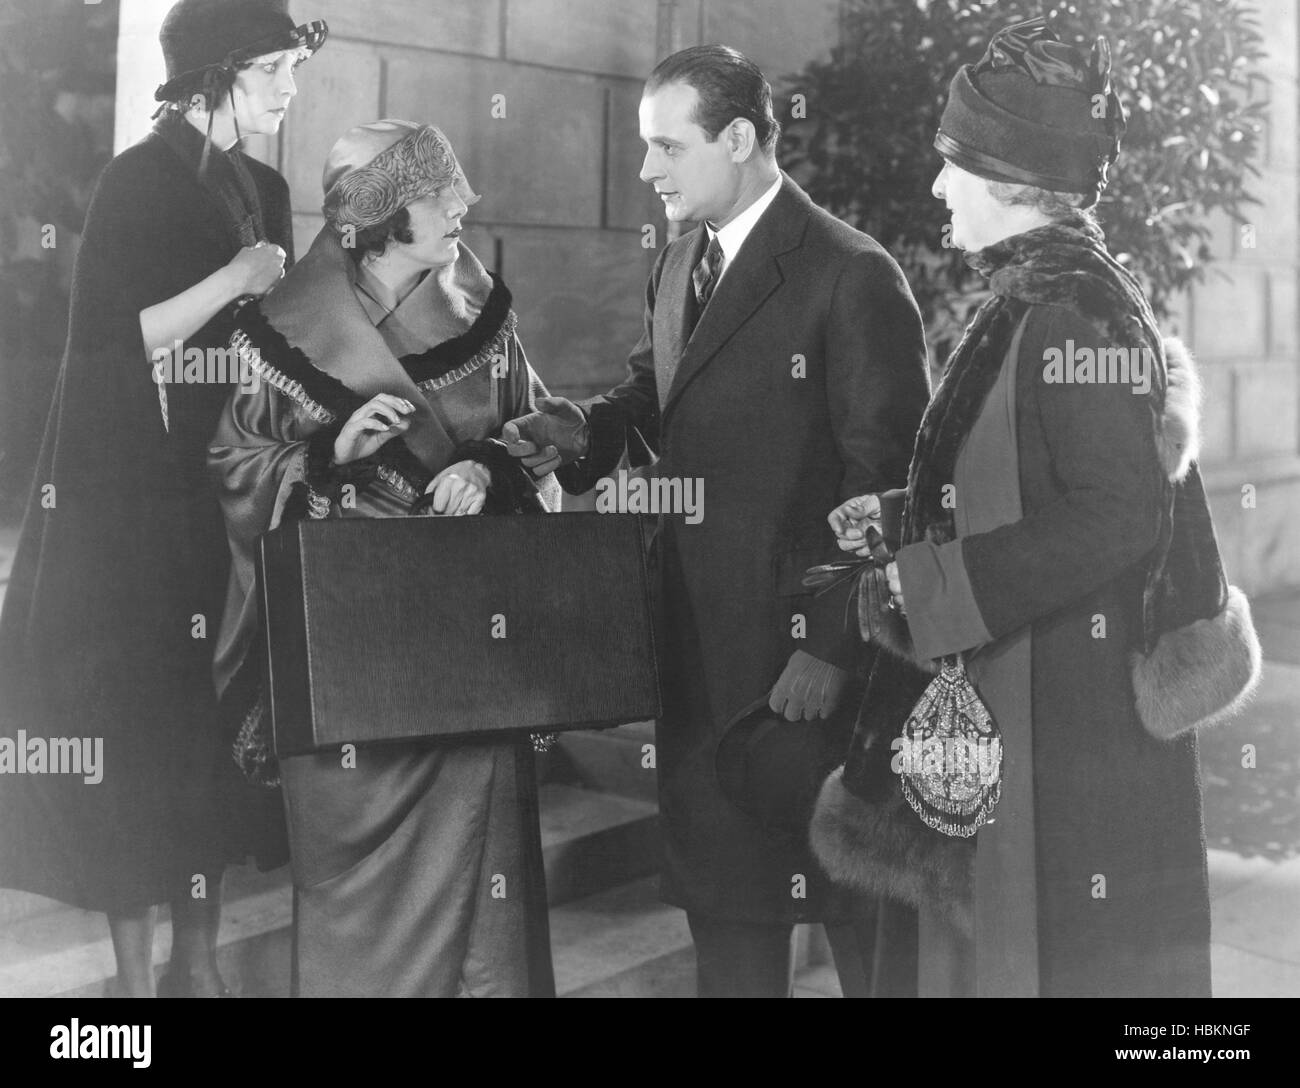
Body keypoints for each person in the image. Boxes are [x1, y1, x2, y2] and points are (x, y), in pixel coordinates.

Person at [812, 18, 1260, 997]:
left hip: (1056, 722)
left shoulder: (1066, 308)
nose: (936, 188)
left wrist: (930, 582)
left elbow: (1114, 514)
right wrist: (905, 516)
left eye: (952, 166)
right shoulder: (1039, 295)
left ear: (1008, 175)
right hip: (1034, 702)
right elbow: (1033, 477)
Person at [503, 45, 930, 997]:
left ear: (738, 139)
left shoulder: (852, 274)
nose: (648, 171)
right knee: (728, 932)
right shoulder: (681, 256)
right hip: (699, 657)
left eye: (666, 146)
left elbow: (891, 482)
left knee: (866, 935)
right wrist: (578, 435)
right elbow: (653, 395)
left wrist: (831, 647)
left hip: (805, 679)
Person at [0, 0, 326, 997]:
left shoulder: (265, 185)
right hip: (133, 504)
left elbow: (273, 344)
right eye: (274, 71)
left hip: (227, 495)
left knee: (212, 734)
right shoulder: (135, 180)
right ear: (217, 73)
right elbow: (107, 344)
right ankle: (136, 982)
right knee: (136, 730)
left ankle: (200, 962)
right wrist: (237, 273)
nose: (289, 89)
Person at [208, 119, 560, 998]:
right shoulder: (278, 332)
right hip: (352, 662)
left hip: (472, 652)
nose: (463, 206)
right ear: (379, 214)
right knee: (352, 906)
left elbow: (543, 430)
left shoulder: (482, 311)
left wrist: (488, 463)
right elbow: (232, 469)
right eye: (440, 195)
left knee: (490, 901)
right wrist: (328, 457)